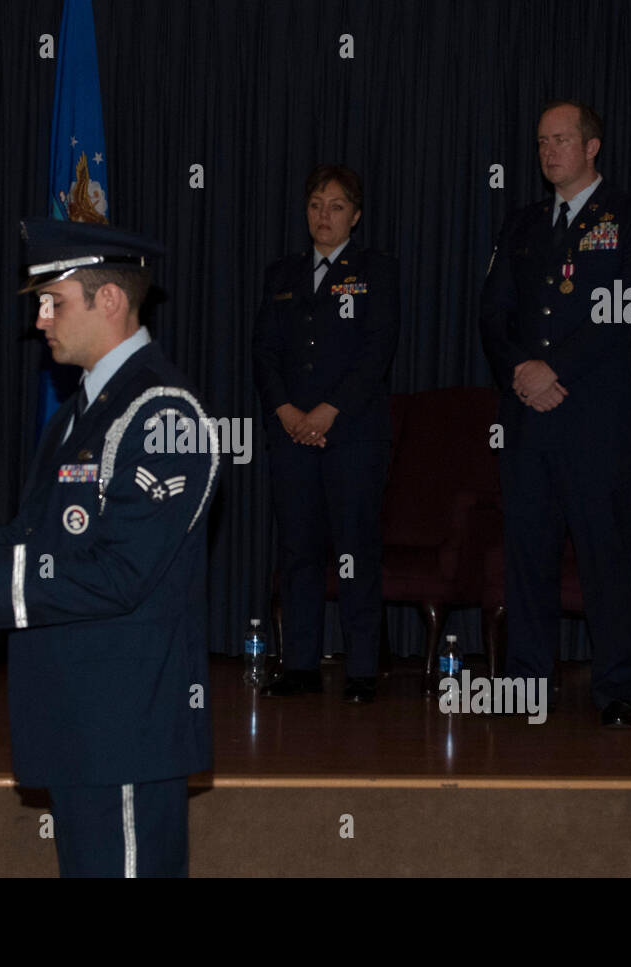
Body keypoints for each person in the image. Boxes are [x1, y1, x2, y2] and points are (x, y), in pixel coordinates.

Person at [0, 218, 219, 877]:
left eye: (54, 301)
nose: (41, 319)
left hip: (126, 726)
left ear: (110, 300)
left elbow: (118, 575)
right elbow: (33, 540)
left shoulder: (163, 414)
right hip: (83, 723)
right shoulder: (79, 412)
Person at [479, 101, 631, 728]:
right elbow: (493, 315)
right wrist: (521, 372)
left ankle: (615, 686)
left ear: (592, 147)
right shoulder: (523, 224)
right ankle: (527, 683)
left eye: (561, 140)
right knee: (528, 553)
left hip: (595, 419)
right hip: (529, 416)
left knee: (603, 555)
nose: (548, 151)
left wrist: (552, 368)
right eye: (540, 142)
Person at [252, 164, 400, 704]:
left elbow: (376, 351)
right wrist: (289, 412)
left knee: (355, 550)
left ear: (355, 216)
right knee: (298, 550)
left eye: (336, 206)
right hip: (291, 434)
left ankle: (362, 669)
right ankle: (300, 665)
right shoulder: (282, 275)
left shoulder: (377, 271)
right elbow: (264, 353)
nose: (324, 216)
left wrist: (328, 412)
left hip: (353, 434)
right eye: (316, 204)